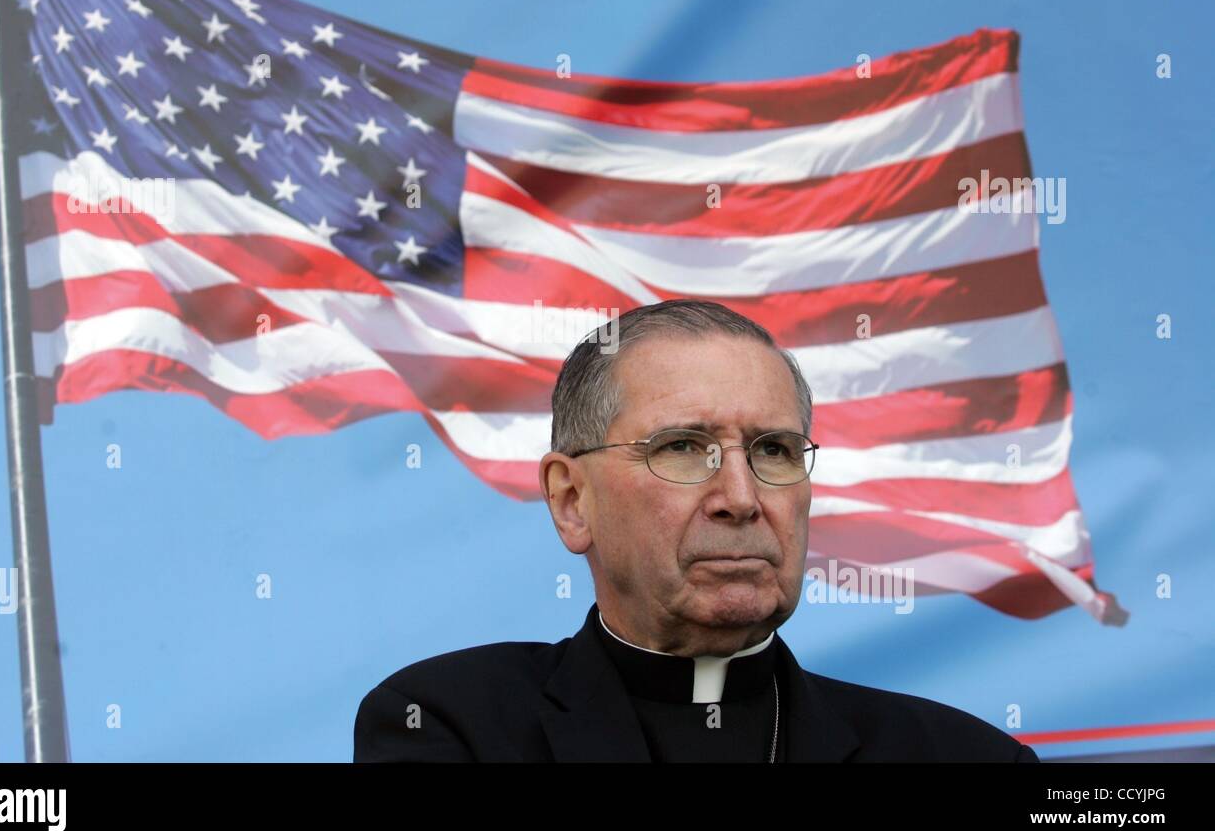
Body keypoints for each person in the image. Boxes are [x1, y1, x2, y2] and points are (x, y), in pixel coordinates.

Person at [353, 299, 1039, 762]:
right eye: (682, 448)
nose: (740, 499)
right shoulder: (451, 724)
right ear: (571, 500)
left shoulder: (962, 755)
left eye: (773, 450)